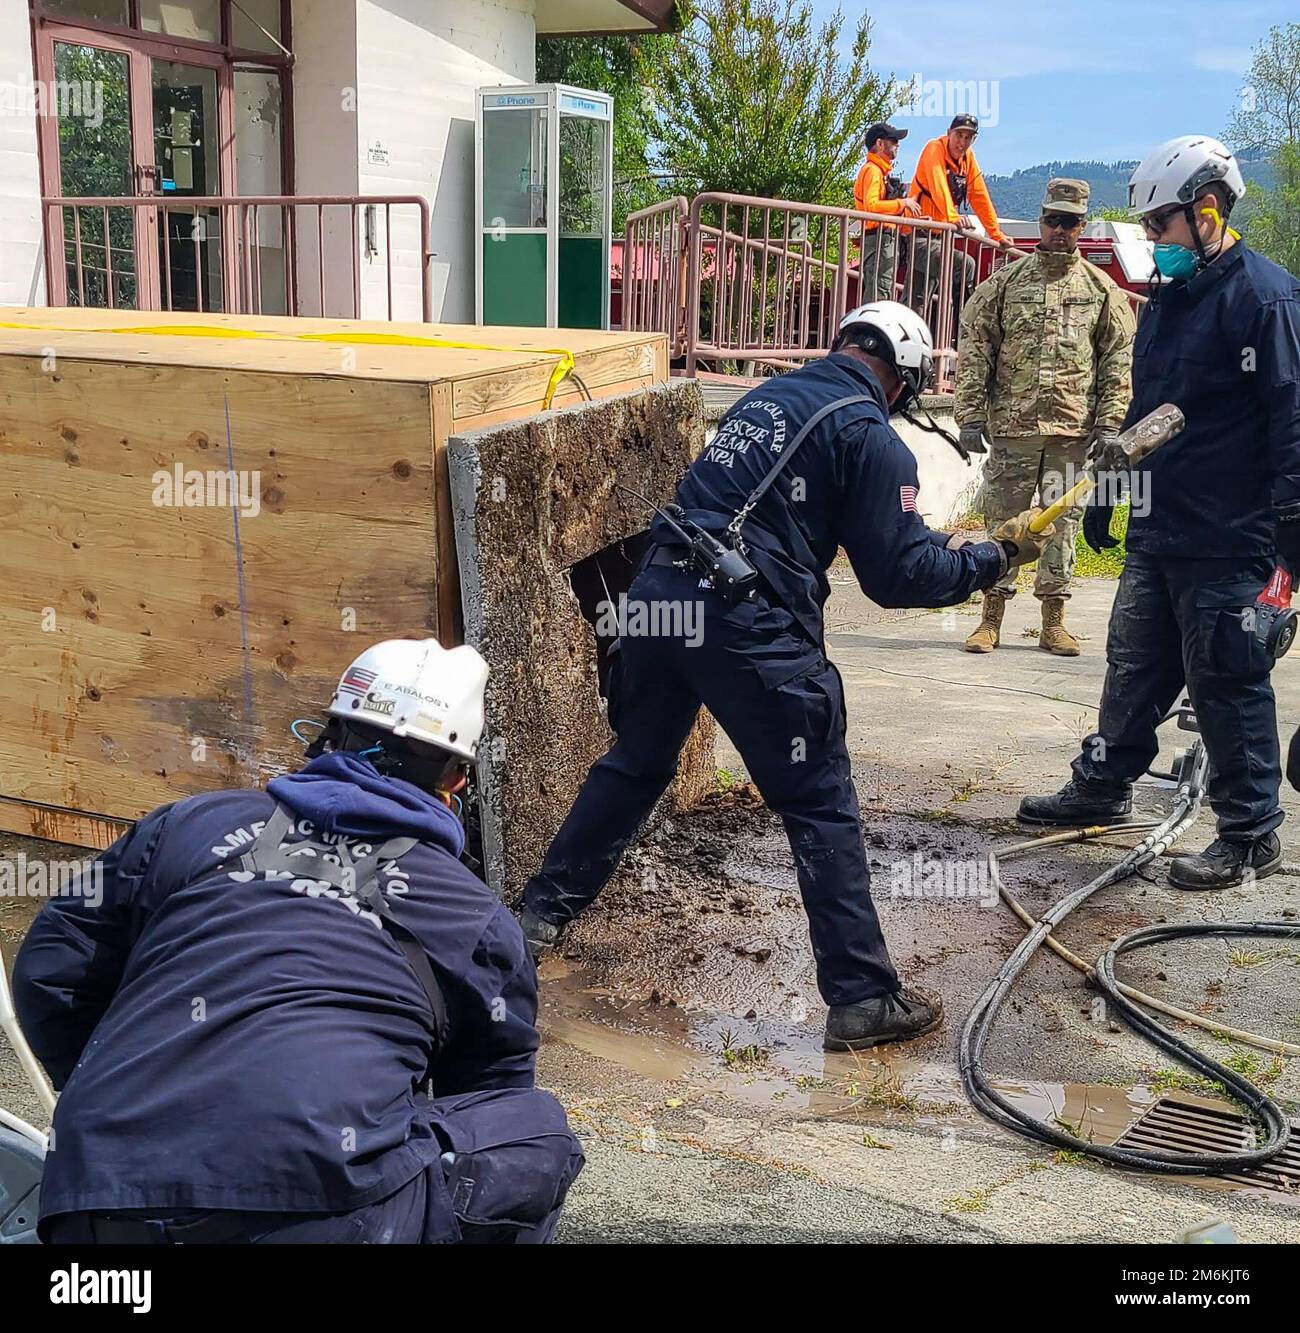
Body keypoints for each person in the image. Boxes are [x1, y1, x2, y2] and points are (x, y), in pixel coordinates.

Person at [517, 302, 1054, 1051]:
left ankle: (532, 921)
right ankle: (864, 997)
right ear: (904, 381)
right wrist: (986, 561)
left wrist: (939, 542)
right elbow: (898, 577)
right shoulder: (871, 435)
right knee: (817, 799)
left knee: (635, 764)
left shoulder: (766, 399)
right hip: (745, 621)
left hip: (657, 602)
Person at [14, 638, 583, 1244]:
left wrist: (117, 1103)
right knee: (531, 1132)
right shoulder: (474, 917)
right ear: (457, 778)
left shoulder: (189, 825)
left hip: (94, 1203)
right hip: (317, 1217)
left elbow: (52, 970)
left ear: (328, 731)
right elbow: (487, 1099)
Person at [1020, 136, 1300, 891]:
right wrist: (1116, 494)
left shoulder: (1267, 300)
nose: (1152, 242)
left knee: (1227, 680)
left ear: (1207, 211)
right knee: (1133, 666)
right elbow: (1145, 409)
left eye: (1162, 226)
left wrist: (1291, 540)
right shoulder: (1172, 302)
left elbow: (1292, 421)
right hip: (1161, 526)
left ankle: (1248, 834)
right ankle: (1102, 784)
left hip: (1230, 537)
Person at [955, 178, 1136, 655]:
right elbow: (976, 348)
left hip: (1072, 432)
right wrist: (970, 416)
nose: (1060, 229)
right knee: (1005, 522)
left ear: (1082, 225)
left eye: (1070, 222)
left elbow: (1118, 357)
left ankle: (1053, 623)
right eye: (1052, 219)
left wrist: (1111, 425)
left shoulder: (1101, 289)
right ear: (1040, 221)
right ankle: (990, 619)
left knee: (1062, 524)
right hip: (1014, 429)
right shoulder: (1006, 283)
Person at [907, 114, 1016, 318]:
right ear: (949, 133)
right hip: (917, 235)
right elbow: (938, 184)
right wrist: (952, 216)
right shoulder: (934, 148)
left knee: (917, 301)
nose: (962, 142)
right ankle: (964, 327)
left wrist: (996, 234)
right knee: (965, 264)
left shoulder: (968, 159)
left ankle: (921, 341)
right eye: (959, 135)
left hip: (938, 237)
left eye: (968, 138)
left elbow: (979, 195)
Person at [853, 121, 923, 302]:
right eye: (893, 141)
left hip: (881, 239)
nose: (897, 145)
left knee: (880, 290)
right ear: (879, 143)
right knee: (879, 292)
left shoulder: (876, 171)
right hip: (879, 239)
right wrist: (902, 203)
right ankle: (871, 329)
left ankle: (870, 327)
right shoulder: (872, 171)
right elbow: (872, 206)